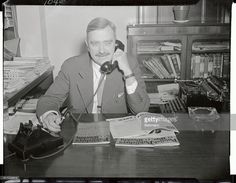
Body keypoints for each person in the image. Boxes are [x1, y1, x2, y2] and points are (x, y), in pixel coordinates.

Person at [36, 17, 150, 132]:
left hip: (115, 132)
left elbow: (141, 110)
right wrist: (49, 115)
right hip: (79, 130)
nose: (101, 50)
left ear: (116, 43)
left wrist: (128, 73)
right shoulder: (71, 66)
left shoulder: (129, 63)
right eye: (95, 43)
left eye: (107, 43)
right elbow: (49, 99)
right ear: (87, 44)